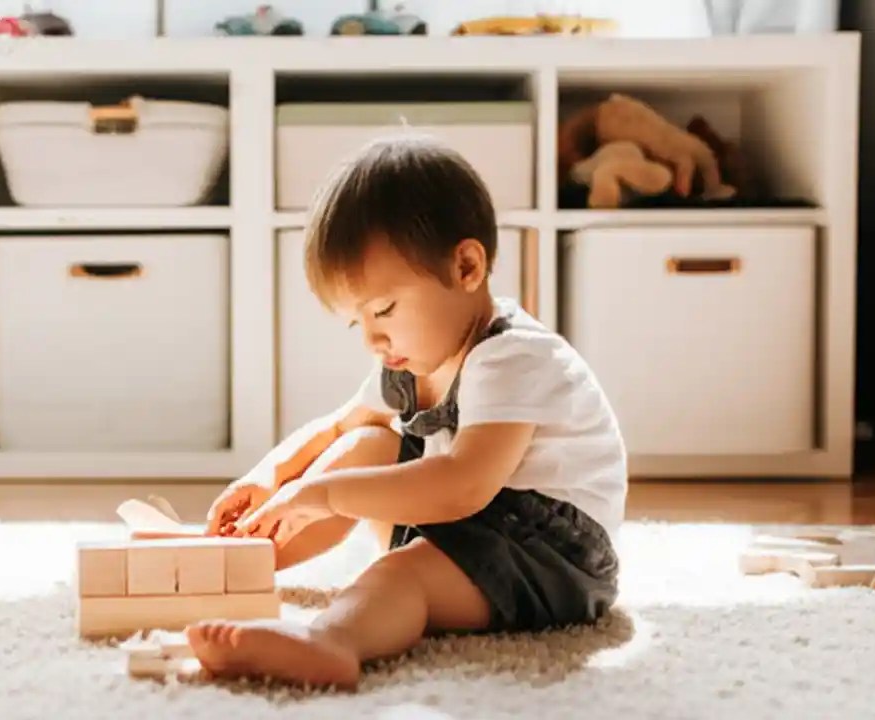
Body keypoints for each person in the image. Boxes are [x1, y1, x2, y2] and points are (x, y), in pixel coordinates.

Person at [189, 135, 627, 690]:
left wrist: (324, 495)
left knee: (399, 573)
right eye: (359, 322)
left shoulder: (515, 357)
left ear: (467, 267)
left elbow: (462, 486)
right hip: (464, 528)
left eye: (385, 310)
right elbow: (339, 427)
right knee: (362, 446)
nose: (374, 338)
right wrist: (270, 479)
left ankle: (332, 642)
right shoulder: (411, 362)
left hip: (547, 559)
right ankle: (244, 562)